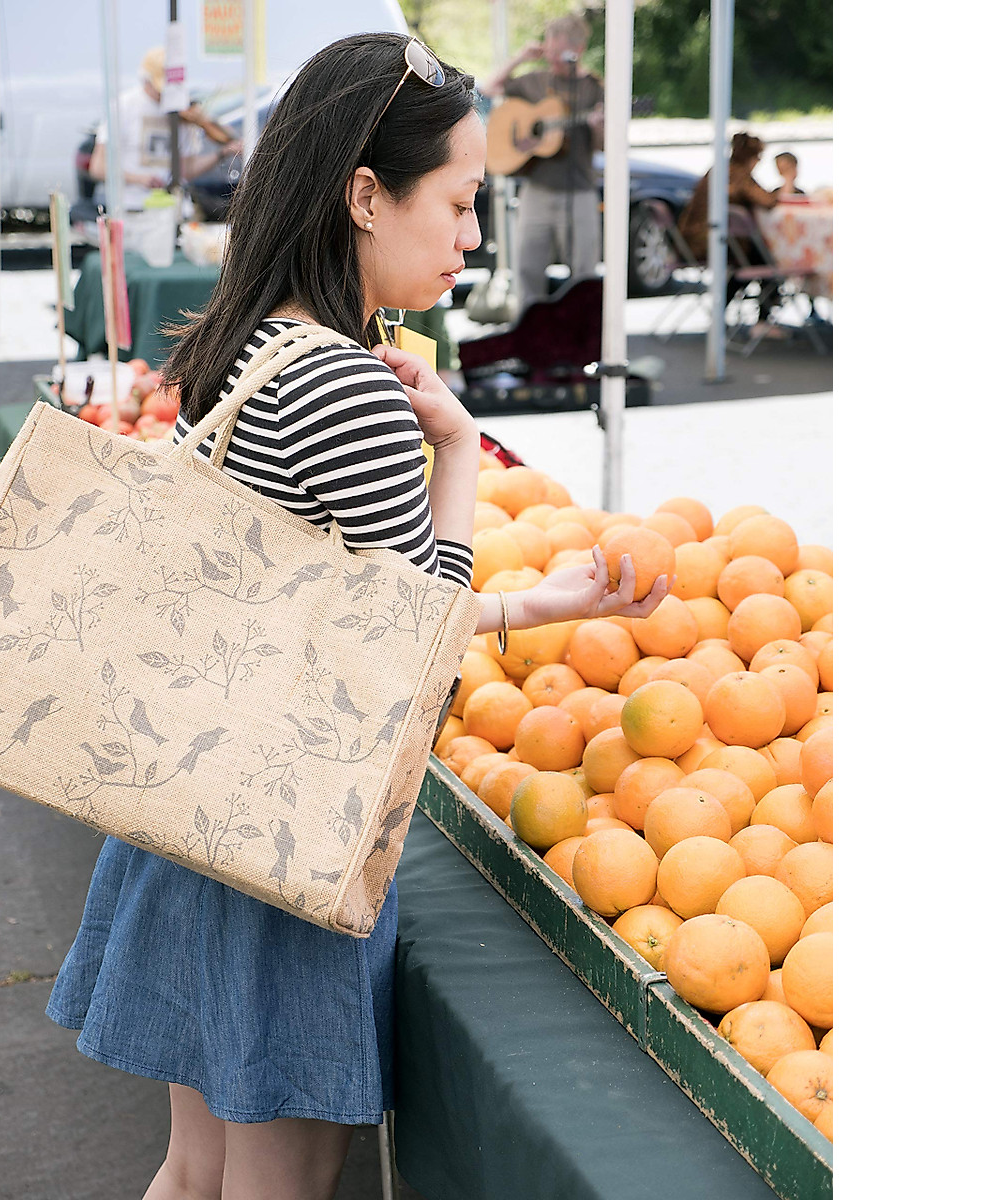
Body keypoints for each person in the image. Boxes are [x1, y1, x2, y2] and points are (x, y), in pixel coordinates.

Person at [46, 33, 670, 1200]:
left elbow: (330, 604)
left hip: (200, 807)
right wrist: (458, 451)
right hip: (288, 851)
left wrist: (535, 603)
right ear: (367, 195)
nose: (474, 238)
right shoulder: (346, 385)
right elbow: (408, 651)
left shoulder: (257, 340)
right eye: (461, 204)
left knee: (194, 1171)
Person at [482, 12, 604, 310]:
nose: (551, 58)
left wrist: (598, 126)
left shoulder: (595, 88)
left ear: (578, 50)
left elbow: (603, 146)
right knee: (527, 270)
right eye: (548, 49)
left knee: (583, 274)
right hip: (536, 190)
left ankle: (579, 333)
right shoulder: (535, 81)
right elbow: (488, 88)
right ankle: (529, 333)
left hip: (579, 190)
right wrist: (521, 57)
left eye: (558, 53)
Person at [89, 45, 243, 213]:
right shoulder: (124, 106)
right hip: (133, 210)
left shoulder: (183, 111)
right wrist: (139, 179)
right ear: (146, 79)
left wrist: (221, 153)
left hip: (175, 209)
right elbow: (97, 167)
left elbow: (186, 170)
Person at [676, 131, 785, 339]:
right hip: (709, 241)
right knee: (767, 262)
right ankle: (762, 319)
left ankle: (721, 314)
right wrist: (785, 185)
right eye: (758, 157)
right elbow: (767, 201)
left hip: (689, 239)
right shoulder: (739, 175)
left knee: (748, 264)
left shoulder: (718, 170)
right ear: (751, 157)